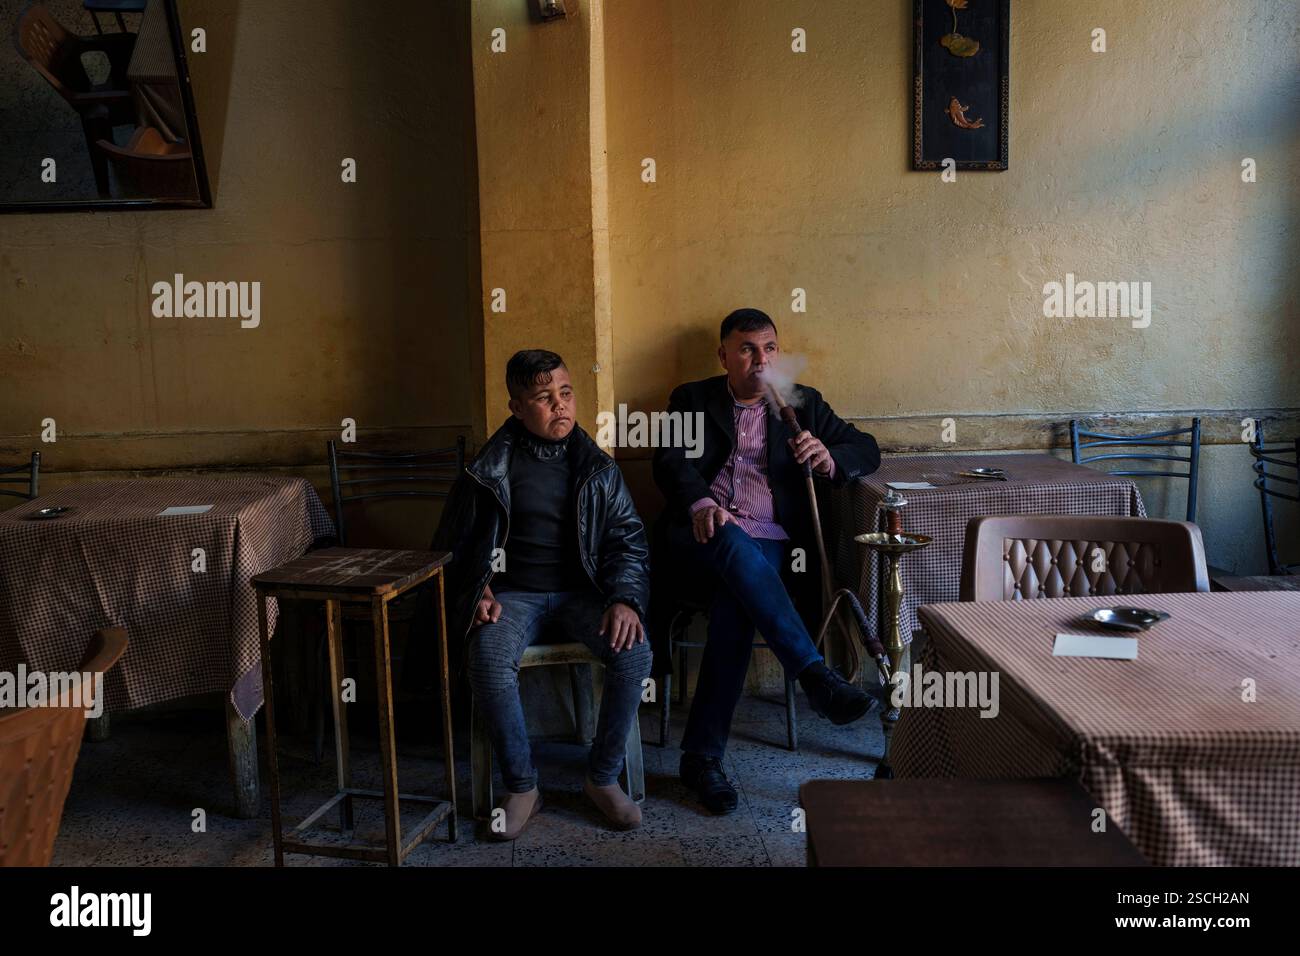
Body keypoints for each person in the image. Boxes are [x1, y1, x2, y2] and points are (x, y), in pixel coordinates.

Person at [651, 308, 883, 814]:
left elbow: (866, 448)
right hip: (700, 537)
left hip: (774, 546)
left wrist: (829, 456)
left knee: (738, 601)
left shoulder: (800, 403)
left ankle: (701, 760)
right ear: (724, 356)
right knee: (733, 545)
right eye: (747, 349)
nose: (761, 360)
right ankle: (815, 678)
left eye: (769, 348)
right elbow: (669, 461)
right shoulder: (693, 400)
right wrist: (702, 503)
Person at [434, 349, 652, 838]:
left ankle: (601, 778)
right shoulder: (486, 470)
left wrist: (624, 598)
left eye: (566, 393)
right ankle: (522, 787)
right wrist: (479, 588)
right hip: (514, 596)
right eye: (544, 397)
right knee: (487, 658)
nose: (560, 406)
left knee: (635, 654)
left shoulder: (598, 467)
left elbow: (628, 541)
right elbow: (451, 548)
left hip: (585, 594)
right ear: (516, 406)